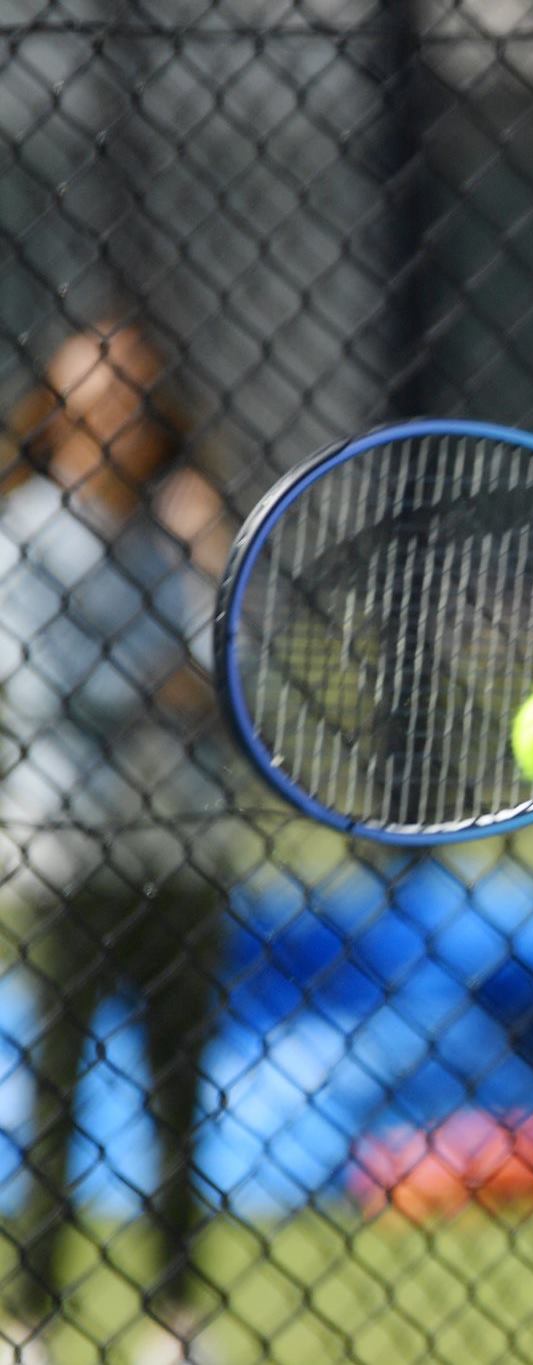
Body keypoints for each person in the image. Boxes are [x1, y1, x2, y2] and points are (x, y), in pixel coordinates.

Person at [0, 322, 233, 1365]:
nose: (114, 425)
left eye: (131, 404)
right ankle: (27, 1318)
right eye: (91, 406)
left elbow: (229, 678)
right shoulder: (23, 535)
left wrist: (211, 558)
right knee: (54, 1091)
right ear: (55, 419)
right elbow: (52, 687)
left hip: (183, 847)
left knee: (180, 1096)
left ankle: (174, 1317)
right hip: (67, 851)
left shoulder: (180, 528)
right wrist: (161, 678)